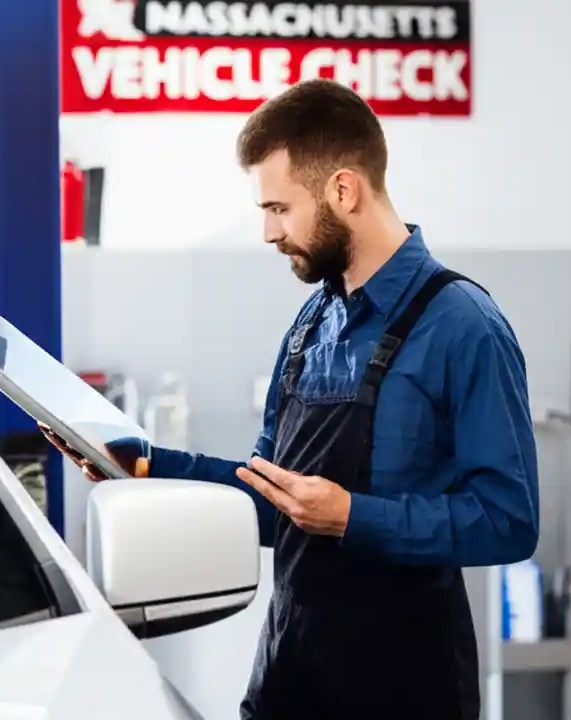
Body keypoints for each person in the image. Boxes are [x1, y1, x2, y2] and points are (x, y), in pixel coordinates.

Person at [43, 78, 539, 720]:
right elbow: (273, 496)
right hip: (291, 673)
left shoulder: (465, 326)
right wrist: (142, 465)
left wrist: (352, 517)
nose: (267, 232)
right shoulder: (312, 324)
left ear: (342, 189)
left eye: (278, 208)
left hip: (407, 687)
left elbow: (509, 520)